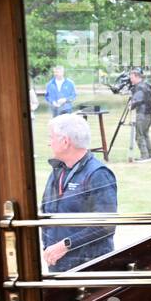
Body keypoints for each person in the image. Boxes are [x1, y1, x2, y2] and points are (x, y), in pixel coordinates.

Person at [39, 114, 118, 271]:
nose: (49, 143)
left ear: (65, 141)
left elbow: (106, 225)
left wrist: (66, 245)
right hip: (59, 265)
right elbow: (47, 211)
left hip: (89, 268)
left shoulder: (98, 174)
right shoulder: (58, 170)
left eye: (52, 138)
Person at [127, 68, 151, 162]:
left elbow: (137, 100)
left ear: (137, 76)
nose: (130, 79)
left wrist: (131, 104)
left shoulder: (139, 87)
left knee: (139, 135)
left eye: (132, 77)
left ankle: (144, 155)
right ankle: (150, 154)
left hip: (142, 114)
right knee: (145, 134)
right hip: (149, 113)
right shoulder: (146, 86)